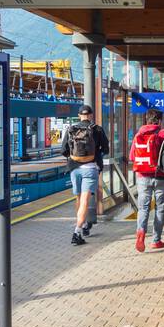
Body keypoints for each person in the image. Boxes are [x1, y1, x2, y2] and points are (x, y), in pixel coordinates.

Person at [63, 105, 108, 246]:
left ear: (79, 115)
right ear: (91, 115)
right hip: (90, 169)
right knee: (85, 201)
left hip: (74, 169)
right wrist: (95, 153)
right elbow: (106, 149)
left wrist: (75, 156)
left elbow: (64, 150)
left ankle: (81, 224)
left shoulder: (71, 129)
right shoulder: (97, 129)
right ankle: (77, 232)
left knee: (78, 198)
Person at [129, 110, 164, 252]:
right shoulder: (163, 134)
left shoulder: (138, 135)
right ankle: (156, 240)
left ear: (147, 119)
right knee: (160, 208)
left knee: (143, 208)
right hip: (160, 177)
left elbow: (132, 157)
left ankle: (141, 232)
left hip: (142, 177)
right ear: (160, 121)